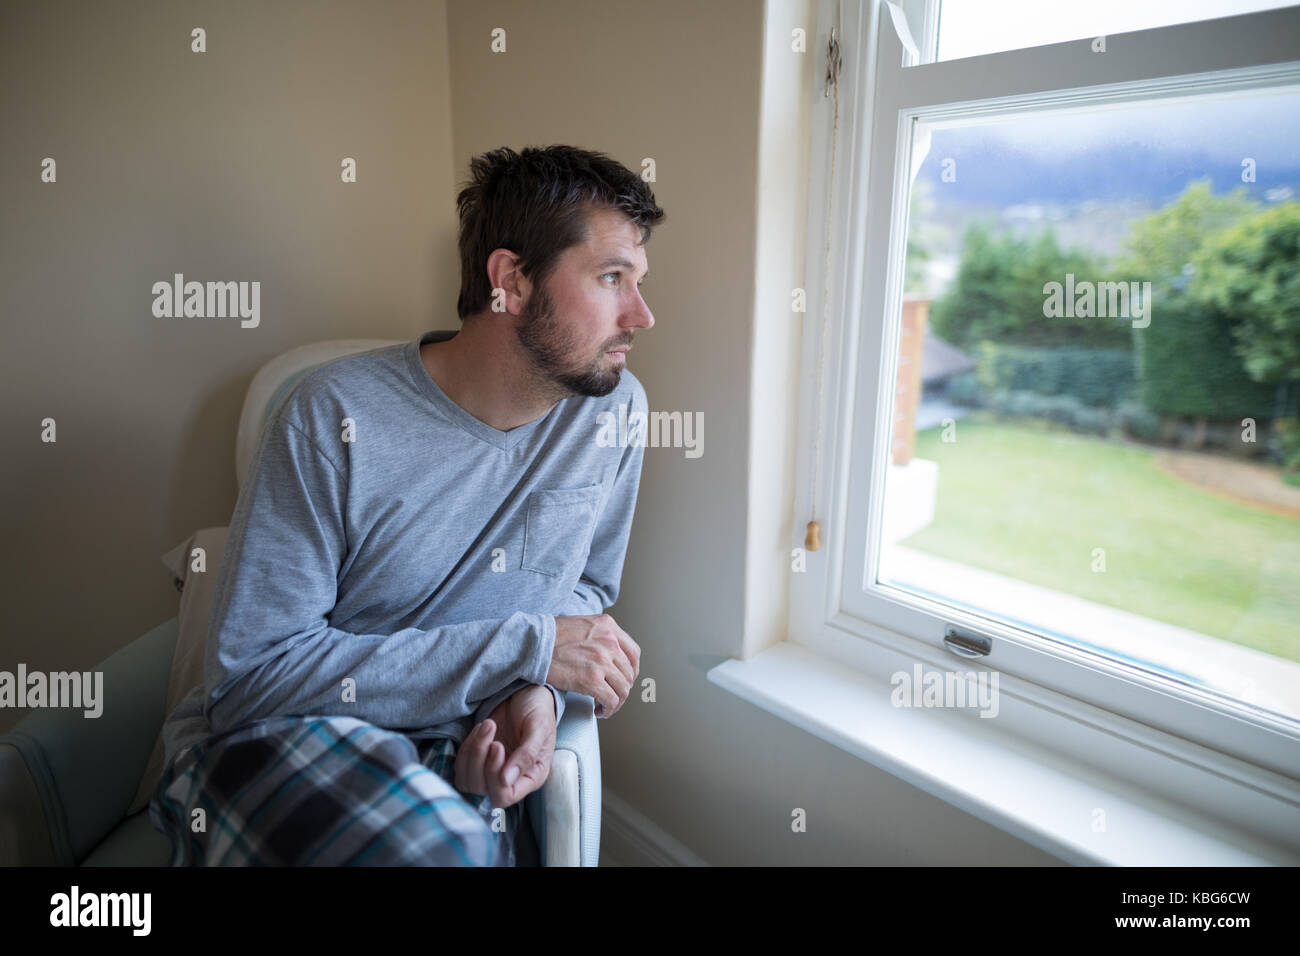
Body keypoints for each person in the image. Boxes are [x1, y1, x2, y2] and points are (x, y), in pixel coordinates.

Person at [149, 145, 665, 866]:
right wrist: (527, 652)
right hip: (291, 737)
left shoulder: (613, 412)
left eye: (637, 281)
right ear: (511, 281)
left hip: (464, 746)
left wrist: (533, 693)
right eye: (612, 278)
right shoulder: (331, 414)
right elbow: (252, 682)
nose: (642, 314)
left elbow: (581, 591)